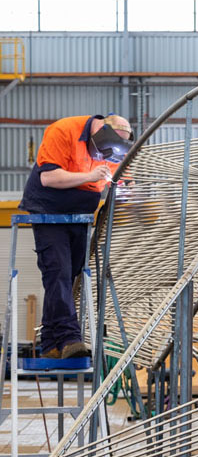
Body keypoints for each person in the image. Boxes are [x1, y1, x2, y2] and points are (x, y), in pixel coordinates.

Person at [20, 114, 133, 359]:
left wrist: (127, 192)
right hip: (48, 212)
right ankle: (71, 337)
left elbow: (121, 182)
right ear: (99, 134)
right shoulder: (63, 131)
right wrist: (89, 177)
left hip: (79, 214)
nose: (105, 159)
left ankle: (50, 342)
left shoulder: (113, 150)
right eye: (103, 153)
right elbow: (47, 178)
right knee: (57, 271)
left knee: (70, 276)